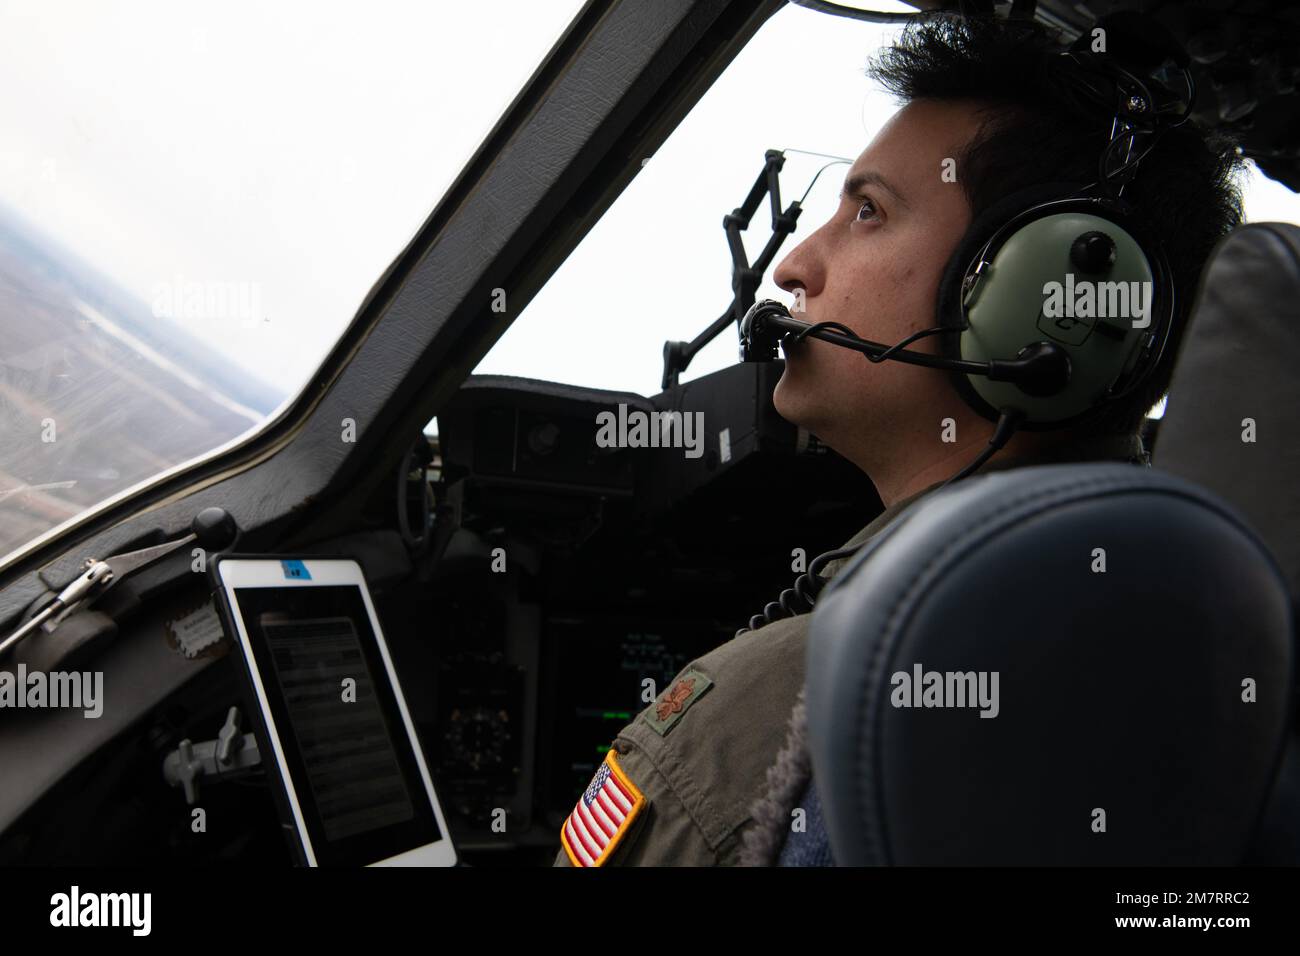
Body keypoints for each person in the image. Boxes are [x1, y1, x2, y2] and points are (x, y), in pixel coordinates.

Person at [555, 12, 1242, 867]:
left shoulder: (771, 715)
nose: (793, 267)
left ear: (1036, 302)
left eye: (868, 212)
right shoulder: (1215, 622)